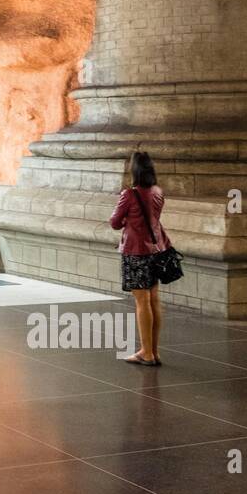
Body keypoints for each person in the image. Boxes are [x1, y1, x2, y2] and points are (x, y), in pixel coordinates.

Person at [108, 151, 168, 366]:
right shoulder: (157, 192)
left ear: (134, 170)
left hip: (135, 252)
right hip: (155, 250)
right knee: (153, 300)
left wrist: (127, 220)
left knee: (141, 301)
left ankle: (146, 352)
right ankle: (154, 350)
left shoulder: (129, 194)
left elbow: (114, 222)